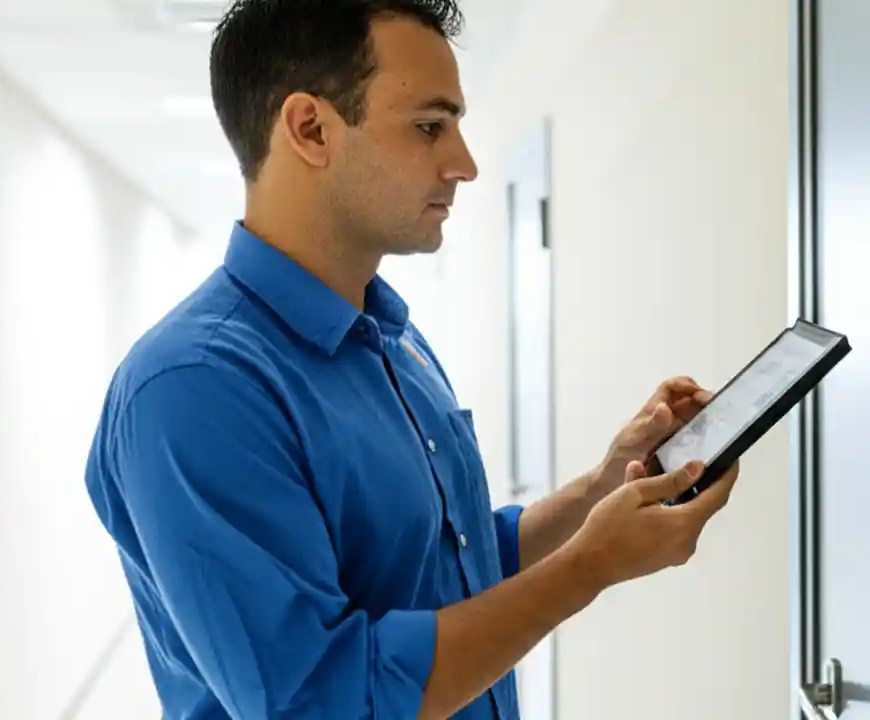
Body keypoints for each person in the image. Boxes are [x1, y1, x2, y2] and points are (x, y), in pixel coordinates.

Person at [83, 1, 740, 718]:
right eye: (430, 126)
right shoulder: (196, 389)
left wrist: (599, 490)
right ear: (310, 129)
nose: (464, 164)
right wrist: (590, 566)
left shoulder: (390, 335)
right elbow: (320, 701)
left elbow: (450, 562)